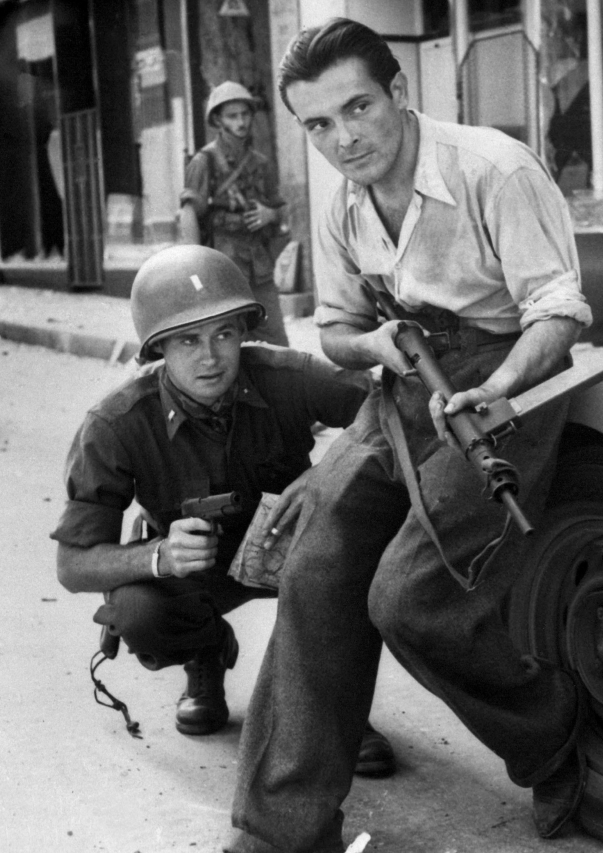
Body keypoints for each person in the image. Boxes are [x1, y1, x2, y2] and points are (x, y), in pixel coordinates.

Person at [227, 18, 593, 853]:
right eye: (318, 124)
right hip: (403, 385)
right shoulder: (341, 205)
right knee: (314, 569)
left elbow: (560, 312)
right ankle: (281, 830)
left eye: (358, 107)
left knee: (410, 600)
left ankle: (553, 734)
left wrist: (495, 389)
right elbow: (336, 328)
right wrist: (374, 346)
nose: (344, 138)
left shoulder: (492, 169)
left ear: (398, 91)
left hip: (512, 379)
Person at [51, 244, 395, 775]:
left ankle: (335, 708)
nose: (210, 357)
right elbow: (73, 564)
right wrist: (160, 556)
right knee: (139, 612)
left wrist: (325, 474)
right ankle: (205, 652)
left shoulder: (287, 376)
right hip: (196, 570)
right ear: (158, 347)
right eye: (187, 340)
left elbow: (388, 408)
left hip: (297, 552)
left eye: (224, 334)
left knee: (353, 550)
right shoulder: (116, 425)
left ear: (243, 333)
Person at [179, 81, 290, 347]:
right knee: (229, 342)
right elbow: (189, 211)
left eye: (245, 114)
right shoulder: (204, 161)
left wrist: (270, 215)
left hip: (259, 268)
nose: (241, 122)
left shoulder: (261, 163)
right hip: (222, 267)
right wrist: (196, 269)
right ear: (218, 120)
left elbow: (283, 212)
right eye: (232, 116)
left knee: (276, 343)